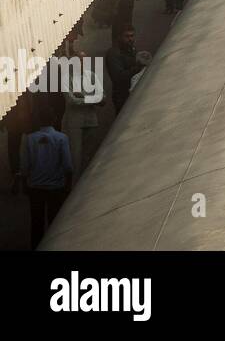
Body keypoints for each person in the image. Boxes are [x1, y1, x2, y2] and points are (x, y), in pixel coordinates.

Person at [18, 104, 72, 249]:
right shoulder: (62, 138)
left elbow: (24, 165)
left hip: (35, 187)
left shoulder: (29, 139)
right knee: (55, 223)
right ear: (54, 119)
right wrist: (68, 186)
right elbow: (67, 166)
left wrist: (25, 184)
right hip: (56, 187)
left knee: (36, 223)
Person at [61, 51, 100, 181]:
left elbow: (102, 97)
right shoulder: (67, 79)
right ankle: (74, 186)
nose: (82, 64)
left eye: (84, 61)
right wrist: (92, 99)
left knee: (89, 156)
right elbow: (71, 100)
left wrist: (83, 97)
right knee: (75, 157)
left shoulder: (92, 76)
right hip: (75, 123)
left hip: (90, 121)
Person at [106, 26, 142, 115]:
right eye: (127, 36)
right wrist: (138, 67)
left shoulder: (131, 49)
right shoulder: (113, 54)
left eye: (132, 36)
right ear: (119, 37)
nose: (130, 39)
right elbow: (118, 77)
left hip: (131, 91)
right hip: (122, 95)